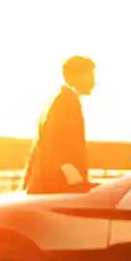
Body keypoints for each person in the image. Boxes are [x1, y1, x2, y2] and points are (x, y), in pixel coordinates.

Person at [23, 55, 95, 194]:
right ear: (75, 77)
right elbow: (56, 143)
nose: (93, 82)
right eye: (90, 75)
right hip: (56, 184)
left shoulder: (60, 99)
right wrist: (73, 176)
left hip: (49, 182)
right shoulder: (66, 102)